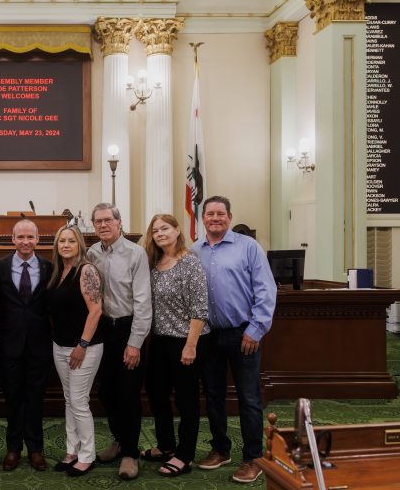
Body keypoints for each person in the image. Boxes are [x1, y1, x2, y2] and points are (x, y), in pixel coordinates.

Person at [192, 196, 276, 484]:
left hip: (244, 334)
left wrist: (256, 328)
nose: (215, 218)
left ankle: (253, 458)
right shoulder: (194, 251)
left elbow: (266, 290)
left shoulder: (248, 247)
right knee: (213, 396)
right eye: (210, 214)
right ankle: (220, 449)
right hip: (208, 335)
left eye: (220, 214)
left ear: (229, 217)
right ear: (203, 218)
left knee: (249, 398)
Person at [87, 202, 152, 480]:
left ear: (119, 222)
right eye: (98, 221)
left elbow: (143, 301)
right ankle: (119, 439)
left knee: (128, 394)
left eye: (107, 221)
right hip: (103, 330)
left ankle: (130, 453)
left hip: (128, 329)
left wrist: (135, 342)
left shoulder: (136, 253)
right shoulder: (91, 253)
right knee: (106, 392)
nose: (102, 225)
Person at [141, 214, 209, 477]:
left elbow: (200, 308)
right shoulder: (155, 262)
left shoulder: (189, 262)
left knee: (186, 400)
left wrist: (190, 346)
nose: (160, 233)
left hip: (186, 341)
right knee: (157, 395)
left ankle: (185, 455)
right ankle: (166, 445)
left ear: (178, 230)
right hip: (159, 341)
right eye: (155, 230)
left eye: (165, 228)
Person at [0, 219, 53, 472]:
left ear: (38, 239)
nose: (26, 242)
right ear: (12, 239)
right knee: (13, 398)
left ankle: (36, 450)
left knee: (35, 398)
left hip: (39, 344)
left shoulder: (50, 268)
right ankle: (13, 448)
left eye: (30, 237)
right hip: (10, 345)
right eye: (21, 237)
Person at [46, 225, 104, 477]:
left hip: (85, 347)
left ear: (79, 244)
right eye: (62, 241)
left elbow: (96, 310)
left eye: (71, 241)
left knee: (80, 402)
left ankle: (87, 455)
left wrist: (82, 344)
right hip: (60, 345)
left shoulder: (86, 270)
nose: (66, 245)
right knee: (70, 399)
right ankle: (72, 450)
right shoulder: (59, 271)